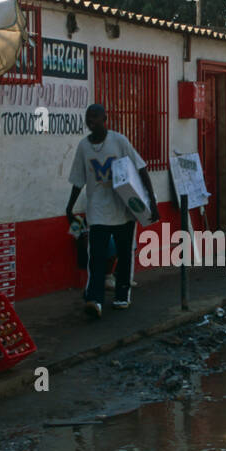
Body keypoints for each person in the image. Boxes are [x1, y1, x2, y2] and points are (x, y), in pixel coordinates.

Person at [66, 103, 157, 317]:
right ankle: (95, 299)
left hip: (123, 209)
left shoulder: (119, 141)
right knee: (96, 257)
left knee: (124, 255)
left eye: (95, 117)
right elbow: (78, 180)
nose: (91, 121)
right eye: (88, 117)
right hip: (97, 210)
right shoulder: (83, 147)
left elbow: (141, 167)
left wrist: (150, 200)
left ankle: (121, 294)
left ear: (105, 118)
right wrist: (69, 207)